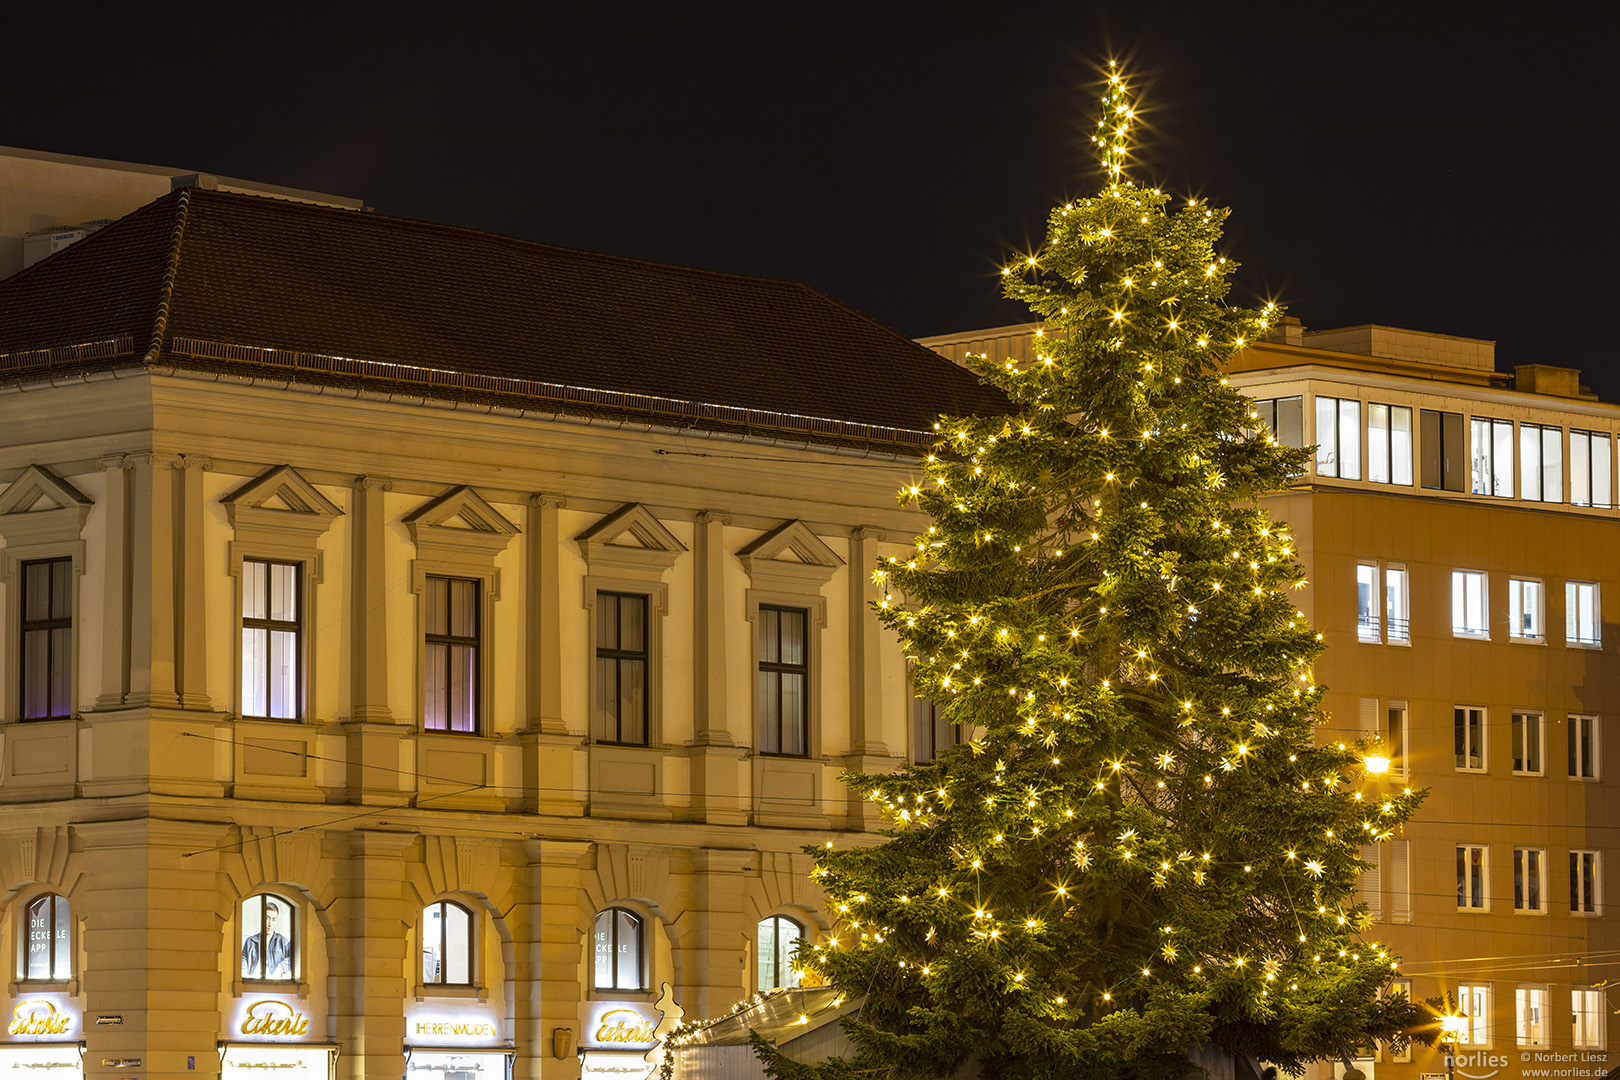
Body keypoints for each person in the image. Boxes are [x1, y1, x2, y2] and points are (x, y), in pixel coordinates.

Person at [242, 899, 293, 980]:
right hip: (252, 985)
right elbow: (242, 967)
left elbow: (294, 958)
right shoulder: (250, 942)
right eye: (267, 918)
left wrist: (281, 967)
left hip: (274, 986)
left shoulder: (283, 942)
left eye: (274, 919)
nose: (270, 924)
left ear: (277, 921)